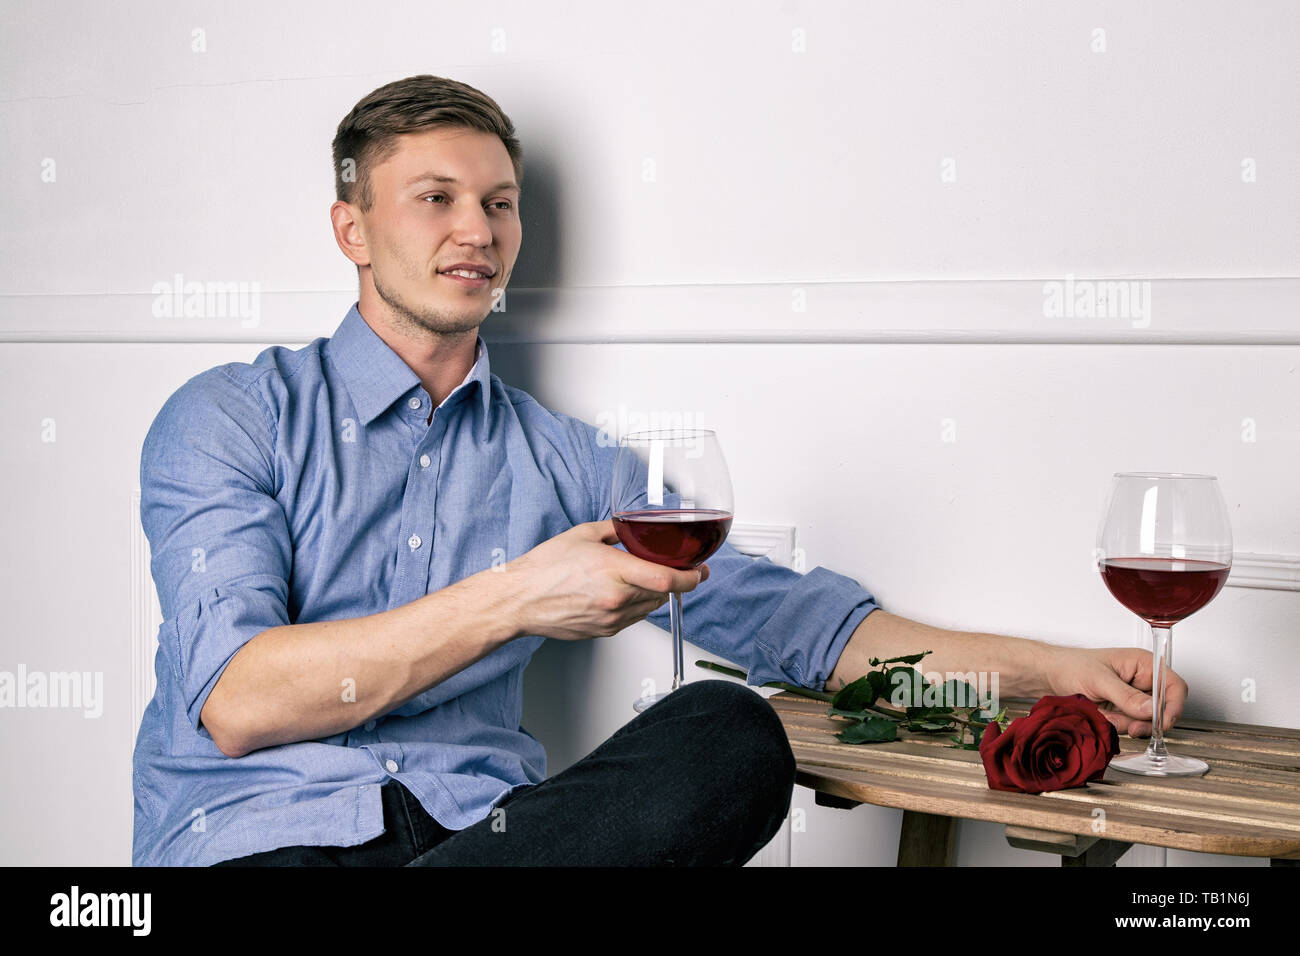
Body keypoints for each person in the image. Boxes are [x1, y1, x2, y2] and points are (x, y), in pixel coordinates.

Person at [132, 75, 1186, 867]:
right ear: (350, 228)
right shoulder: (231, 417)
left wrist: (1049, 670)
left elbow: (803, 630)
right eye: (436, 198)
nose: (477, 231)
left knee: (729, 732)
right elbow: (238, 700)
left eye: (499, 203)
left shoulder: (567, 459)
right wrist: (513, 596)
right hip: (262, 840)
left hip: (491, 840)